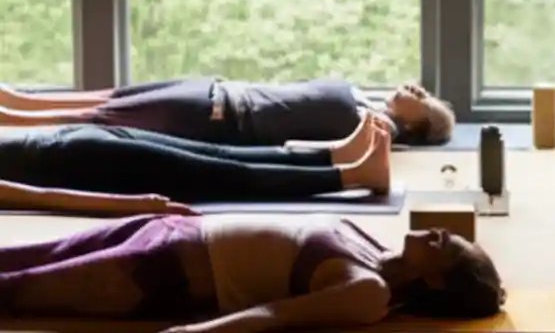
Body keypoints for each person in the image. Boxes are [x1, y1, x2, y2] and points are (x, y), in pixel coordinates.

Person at [0, 212, 505, 331]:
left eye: (446, 245)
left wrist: (197, 332)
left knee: (16, 291)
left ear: (436, 279)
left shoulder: (369, 291)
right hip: (169, 229)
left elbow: (272, 314)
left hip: (161, 271)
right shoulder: (371, 242)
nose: (439, 232)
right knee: (16, 256)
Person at [0, 113, 391, 210]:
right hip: (72, 163)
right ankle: (353, 175)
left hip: (68, 138)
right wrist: (126, 205)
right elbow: (29, 197)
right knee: (222, 175)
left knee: (215, 155)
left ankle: (335, 155)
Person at [0, 77, 454, 147]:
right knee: (109, 97)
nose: (416, 88)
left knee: (102, 118)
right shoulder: (367, 103)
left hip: (220, 114)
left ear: (418, 122)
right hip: (217, 90)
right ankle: (19, 102)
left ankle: (12, 121)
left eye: (424, 97)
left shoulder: (375, 129)